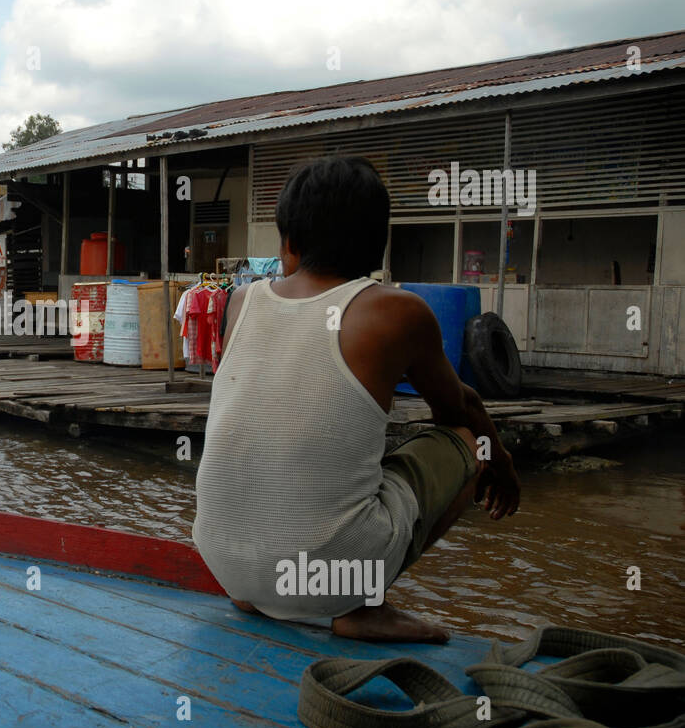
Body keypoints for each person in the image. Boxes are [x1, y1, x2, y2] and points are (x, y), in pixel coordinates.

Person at [193, 155, 521, 644]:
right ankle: (362, 603)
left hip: (225, 568)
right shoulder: (398, 310)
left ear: (289, 243)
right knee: (468, 444)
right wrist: (504, 465)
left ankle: (262, 591)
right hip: (327, 579)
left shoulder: (241, 302)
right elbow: (461, 411)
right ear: (377, 245)